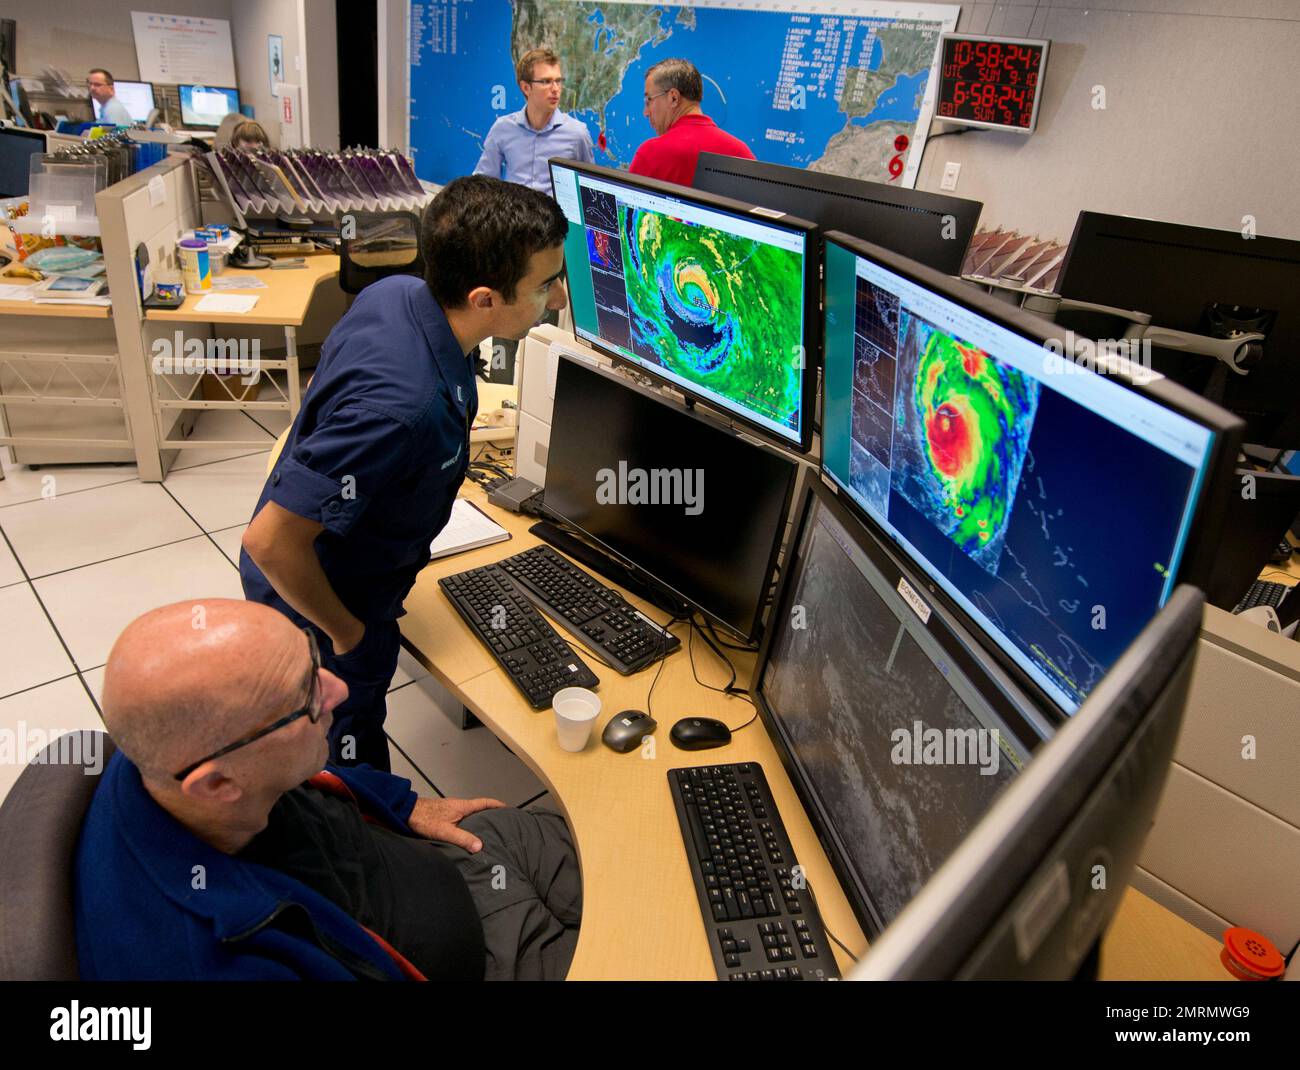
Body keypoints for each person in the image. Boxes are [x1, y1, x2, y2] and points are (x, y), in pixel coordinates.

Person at [240, 176, 568, 771]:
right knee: (346, 762)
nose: (561, 299)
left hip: (336, 567)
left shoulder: (398, 295)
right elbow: (269, 542)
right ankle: (371, 839)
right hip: (319, 603)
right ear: (485, 298)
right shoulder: (402, 409)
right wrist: (349, 636)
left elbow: (325, 389)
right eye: (546, 285)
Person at [74, 599, 582, 981]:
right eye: (307, 700)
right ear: (219, 782)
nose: (337, 690)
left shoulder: (168, 762)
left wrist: (407, 805)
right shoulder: (208, 956)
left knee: (622, 855)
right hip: (487, 961)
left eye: (312, 660)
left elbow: (312, 773)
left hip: (449, 856)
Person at [473, 47, 594, 193]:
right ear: (526, 87)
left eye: (558, 81)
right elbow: (483, 184)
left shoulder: (577, 134)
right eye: (546, 81)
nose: (555, 89)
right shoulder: (503, 129)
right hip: (515, 213)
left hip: (555, 215)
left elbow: (590, 190)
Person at [629, 58, 755, 187]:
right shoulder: (741, 153)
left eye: (648, 100)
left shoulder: (651, 154)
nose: (645, 112)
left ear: (673, 98)